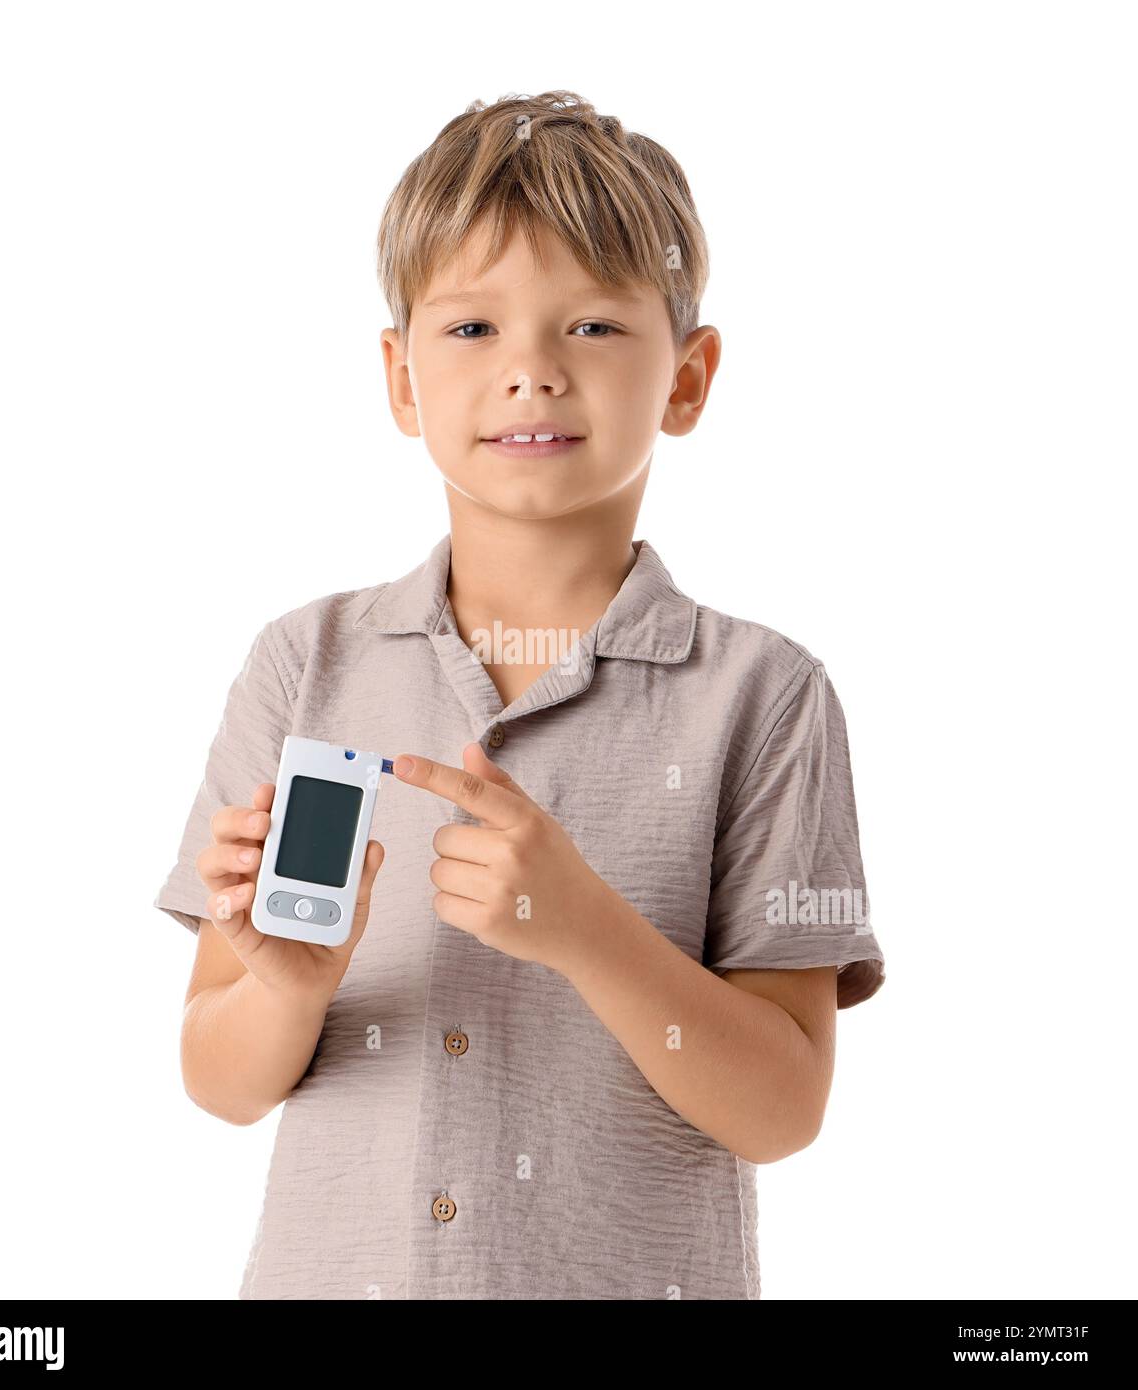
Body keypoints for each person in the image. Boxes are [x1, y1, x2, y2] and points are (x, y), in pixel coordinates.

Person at [153, 90, 886, 1300]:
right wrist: (288, 990)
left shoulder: (766, 697)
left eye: (593, 327)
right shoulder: (304, 662)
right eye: (473, 329)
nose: (532, 373)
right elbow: (216, 1080)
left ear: (688, 378)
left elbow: (782, 1108)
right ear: (400, 378)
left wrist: (591, 934)